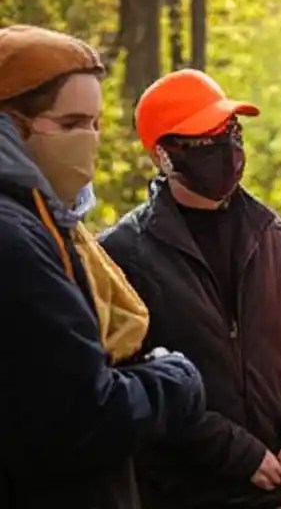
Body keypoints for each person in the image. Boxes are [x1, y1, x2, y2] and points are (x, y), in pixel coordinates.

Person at [98, 69, 281, 509]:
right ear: (164, 155)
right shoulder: (122, 255)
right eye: (205, 141)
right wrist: (236, 453)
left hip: (275, 491)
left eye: (232, 132)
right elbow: (129, 378)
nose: (226, 149)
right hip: (177, 492)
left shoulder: (277, 239)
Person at [0, 25, 206, 509]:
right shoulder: (16, 238)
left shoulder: (49, 222)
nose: (89, 139)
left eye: (95, 123)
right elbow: (81, 420)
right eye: (71, 123)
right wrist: (176, 380)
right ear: (11, 126)